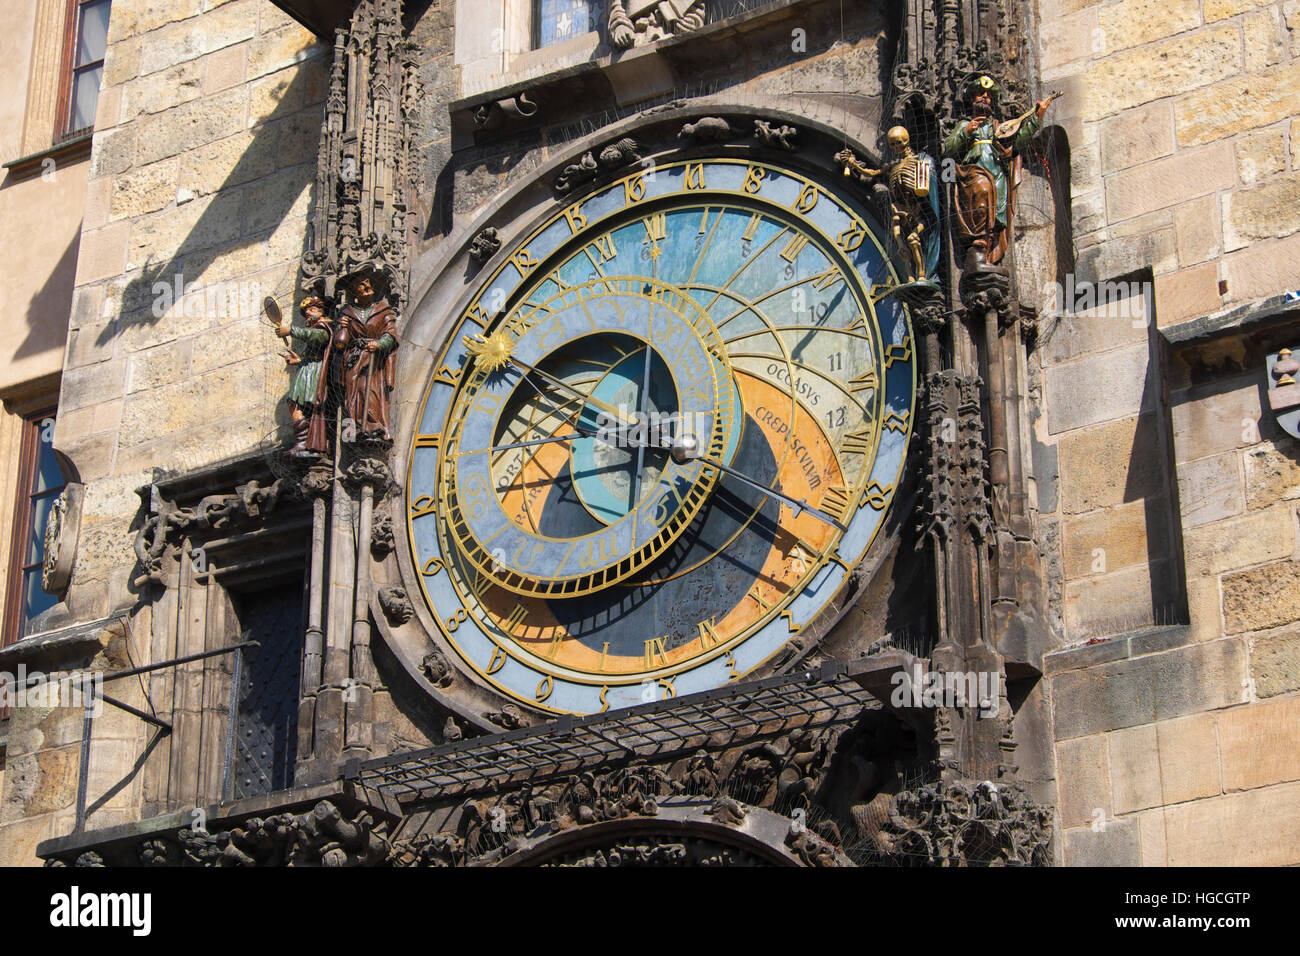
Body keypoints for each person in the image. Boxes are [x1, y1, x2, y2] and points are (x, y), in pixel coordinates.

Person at [943, 74, 1054, 266]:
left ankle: (989, 247)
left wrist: (1037, 118)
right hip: (975, 172)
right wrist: (966, 132)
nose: (984, 97)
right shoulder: (964, 124)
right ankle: (978, 242)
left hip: (998, 173)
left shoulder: (998, 126)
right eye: (979, 94)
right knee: (982, 191)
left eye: (987, 95)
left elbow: (1018, 142)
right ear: (972, 98)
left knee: (997, 211)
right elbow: (949, 151)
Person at [338, 269, 399, 441]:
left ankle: (374, 426)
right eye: (361, 285)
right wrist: (342, 327)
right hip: (353, 359)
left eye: (367, 283)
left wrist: (379, 343)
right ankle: (350, 432)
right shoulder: (347, 313)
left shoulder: (382, 310)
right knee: (351, 395)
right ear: (353, 291)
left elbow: (391, 333)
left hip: (373, 361)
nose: (367, 287)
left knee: (368, 390)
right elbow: (340, 343)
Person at [273, 295, 336, 456]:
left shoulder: (324, 327)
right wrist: (298, 359)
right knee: (296, 404)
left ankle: (306, 442)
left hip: (314, 373)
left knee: (297, 404)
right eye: (306, 311)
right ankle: (304, 442)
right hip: (307, 370)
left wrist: (291, 330)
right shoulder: (315, 328)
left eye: (311, 309)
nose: (308, 313)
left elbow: (318, 337)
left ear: (321, 311)